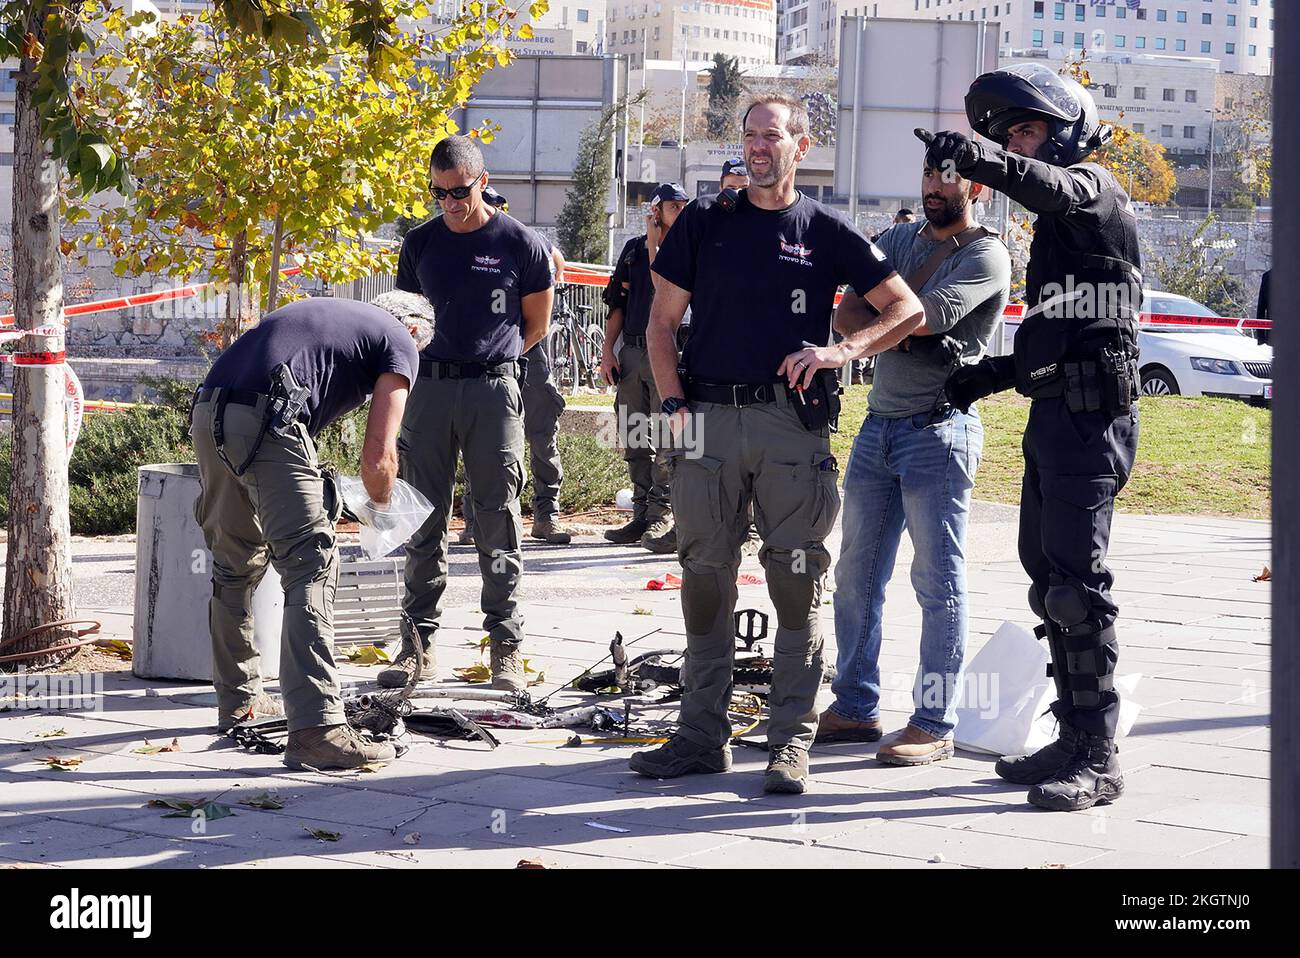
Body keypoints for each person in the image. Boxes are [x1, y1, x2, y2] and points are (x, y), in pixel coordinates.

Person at [629, 94, 924, 794]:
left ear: (801, 146)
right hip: (706, 422)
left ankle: (789, 745)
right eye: (750, 135)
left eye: (773, 136)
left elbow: (906, 309)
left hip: (792, 430)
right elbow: (661, 325)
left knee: (796, 582)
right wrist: (671, 403)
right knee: (704, 577)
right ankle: (700, 737)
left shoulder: (824, 229)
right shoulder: (705, 221)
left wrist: (840, 350)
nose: (759, 147)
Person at [922, 62, 1143, 811]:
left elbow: (1051, 185)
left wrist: (979, 156)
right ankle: (1072, 730)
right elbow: (1059, 339)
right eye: (1009, 133)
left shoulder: (1094, 187)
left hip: (1093, 425)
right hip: (1054, 419)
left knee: (1079, 591)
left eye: (1028, 130)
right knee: (1047, 581)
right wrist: (985, 377)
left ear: (1066, 126)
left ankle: (1099, 753)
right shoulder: (1059, 235)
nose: (1020, 144)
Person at [816, 151, 1011, 765]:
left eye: (947, 176)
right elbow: (845, 310)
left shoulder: (986, 253)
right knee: (854, 577)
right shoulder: (898, 236)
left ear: (973, 185)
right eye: (927, 174)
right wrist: (887, 312)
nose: (933, 185)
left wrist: (889, 310)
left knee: (937, 582)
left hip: (940, 431)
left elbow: (923, 319)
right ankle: (854, 705)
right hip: (879, 428)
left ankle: (934, 721)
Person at [190, 295, 425, 769]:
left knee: (234, 565)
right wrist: (381, 510)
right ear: (417, 331)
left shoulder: (337, 316)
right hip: (269, 421)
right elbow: (378, 455)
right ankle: (317, 729)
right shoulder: (402, 342)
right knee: (312, 568)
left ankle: (241, 702)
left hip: (209, 413)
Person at [379, 135, 555, 693]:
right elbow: (408, 319)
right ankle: (417, 645)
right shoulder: (421, 243)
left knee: (496, 515)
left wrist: (490, 365)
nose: (449, 203)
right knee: (421, 517)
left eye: (458, 191)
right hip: (428, 390)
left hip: (491, 392)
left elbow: (536, 326)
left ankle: (504, 643)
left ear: (482, 181)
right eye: (438, 192)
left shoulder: (519, 244)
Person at [459, 187, 575, 547]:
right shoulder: (464, 246)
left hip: (530, 351)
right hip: (484, 357)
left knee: (542, 436)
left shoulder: (524, 242)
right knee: (480, 440)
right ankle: (476, 519)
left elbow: (557, 258)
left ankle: (546, 515)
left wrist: (553, 278)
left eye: (495, 210)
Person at [601, 183, 690, 552]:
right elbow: (616, 304)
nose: (680, 211)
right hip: (634, 353)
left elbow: (660, 282)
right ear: (655, 210)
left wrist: (657, 241)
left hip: (671, 355)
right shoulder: (634, 250)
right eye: (672, 205)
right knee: (634, 433)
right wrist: (608, 350)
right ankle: (641, 511)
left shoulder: (688, 249)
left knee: (672, 439)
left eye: (683, 205)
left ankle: (662, 514)